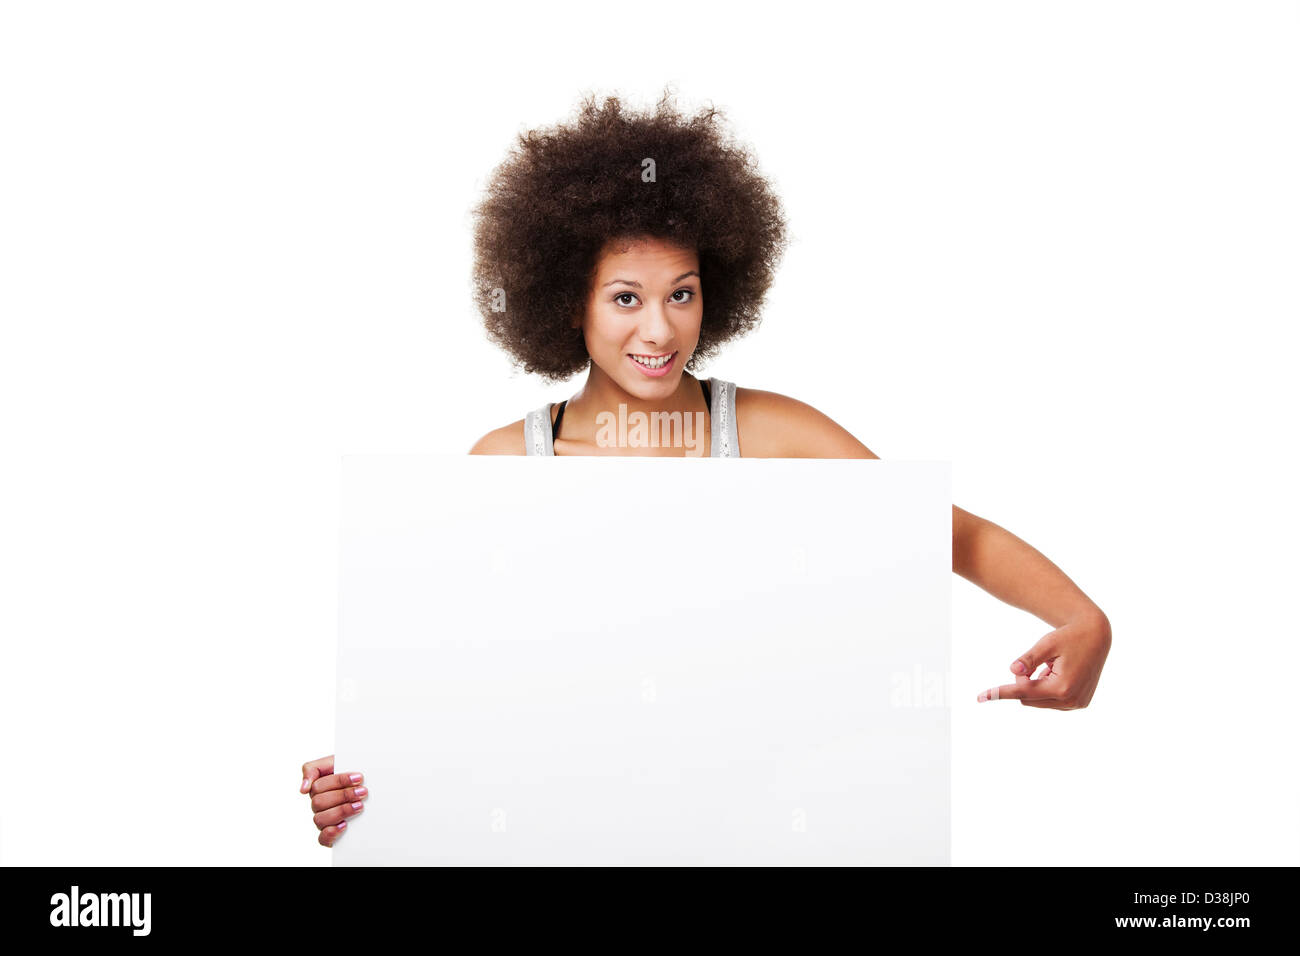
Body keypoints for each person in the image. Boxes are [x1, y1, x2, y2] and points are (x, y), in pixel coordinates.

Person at [301, 92, 1112, 847]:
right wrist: (370, 782)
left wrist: (1084, 620)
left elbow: (953, 537)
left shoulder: (772, 434)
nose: (660, 330)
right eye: (626, 298)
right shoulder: (506, 465)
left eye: (681, 294)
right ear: (570, 301)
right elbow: (456, 691)